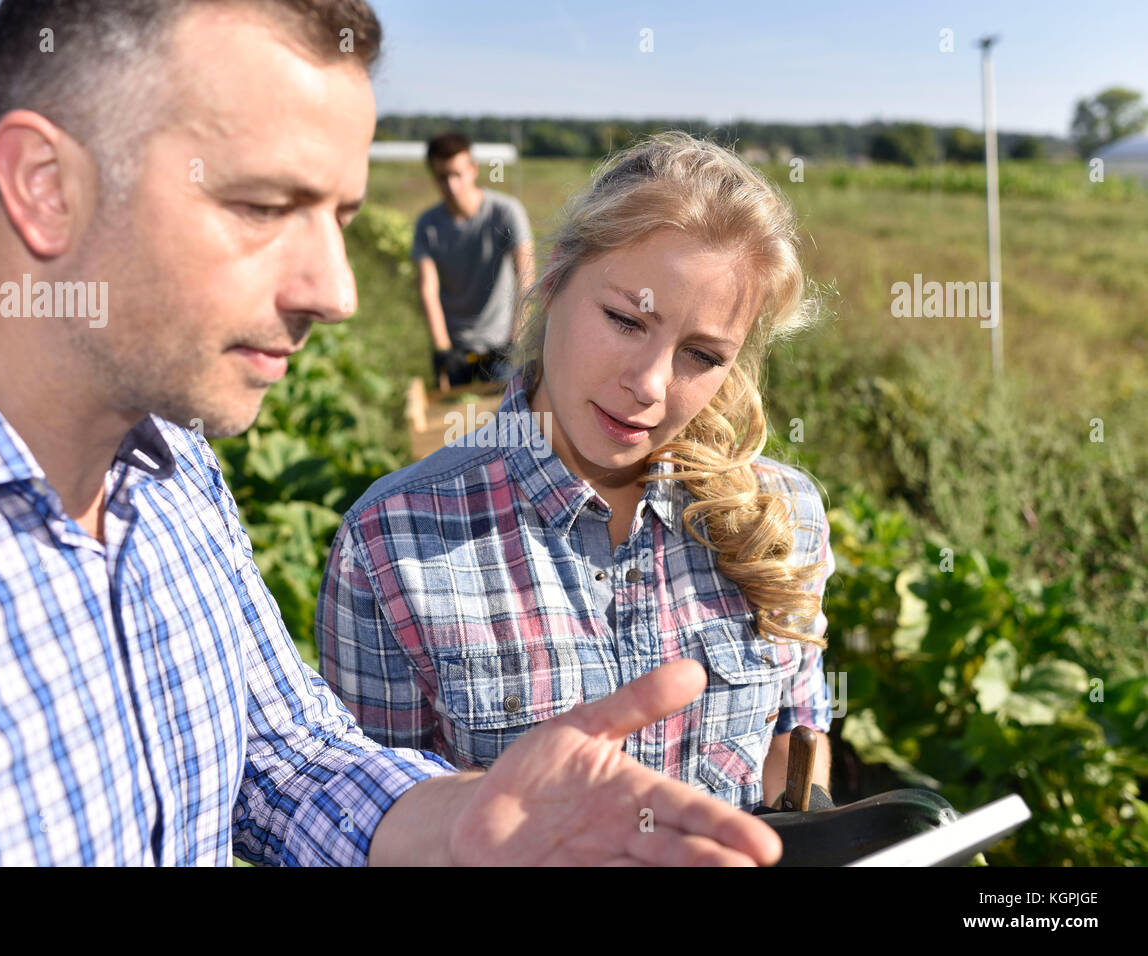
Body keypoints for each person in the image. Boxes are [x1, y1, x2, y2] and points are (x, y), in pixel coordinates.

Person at [0, 0, 783, 867]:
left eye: (338, 216)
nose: (335, 293)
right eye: (263, 207)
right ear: (45, 185)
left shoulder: (170, 464)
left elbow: (279, 752)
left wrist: (467, 822)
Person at [317, 130, 836, 812]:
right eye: (625, 320)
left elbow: (795, 739)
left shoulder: (779, 518)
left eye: (702, 356)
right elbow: (373, 822)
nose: (649, 384)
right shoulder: (392, 546)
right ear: (556, 275)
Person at [413, 131, 535, 389]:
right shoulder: (428, 225)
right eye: (442, 177)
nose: (452, 185)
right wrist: (442, 347)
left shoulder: (505, 212)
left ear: (473, 169)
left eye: (457, 174)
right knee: (452, 425)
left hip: (502, 344)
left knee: (507, 421)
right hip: (455, 346)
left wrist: (517, 337)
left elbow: (526, 275)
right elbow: (428, 289)